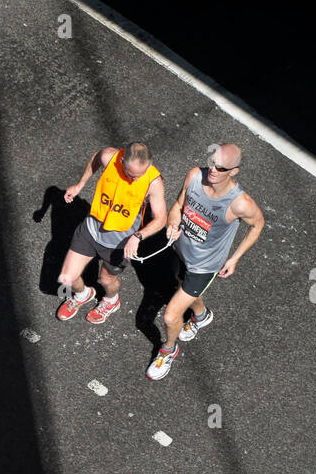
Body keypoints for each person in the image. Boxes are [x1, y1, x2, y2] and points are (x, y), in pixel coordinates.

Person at [146, 142, 265, 381]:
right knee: (182, 284)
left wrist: (235, 258)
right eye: (212, 162)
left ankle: (168, 349)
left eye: (221, 167)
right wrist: (172, 222)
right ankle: (201, 316)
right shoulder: (194, 176)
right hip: (181, 252)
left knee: (170, 316)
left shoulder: (240, 203)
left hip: (205, 266)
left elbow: (258, 225)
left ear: (234, 171)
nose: (213, 169)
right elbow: (179, 205)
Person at [56, 140, 166, 325]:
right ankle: (84, 294)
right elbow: (96, 159)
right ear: (122, 160)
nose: (136, 180)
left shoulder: (153, 183)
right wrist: (80, 185)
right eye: (131, 175)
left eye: (141, 174)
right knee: (68, 278)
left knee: (107, 280)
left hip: (119, 241)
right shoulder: (109, 157)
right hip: (91, 230)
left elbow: (161, 219)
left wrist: (137, 237)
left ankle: (111, 301)